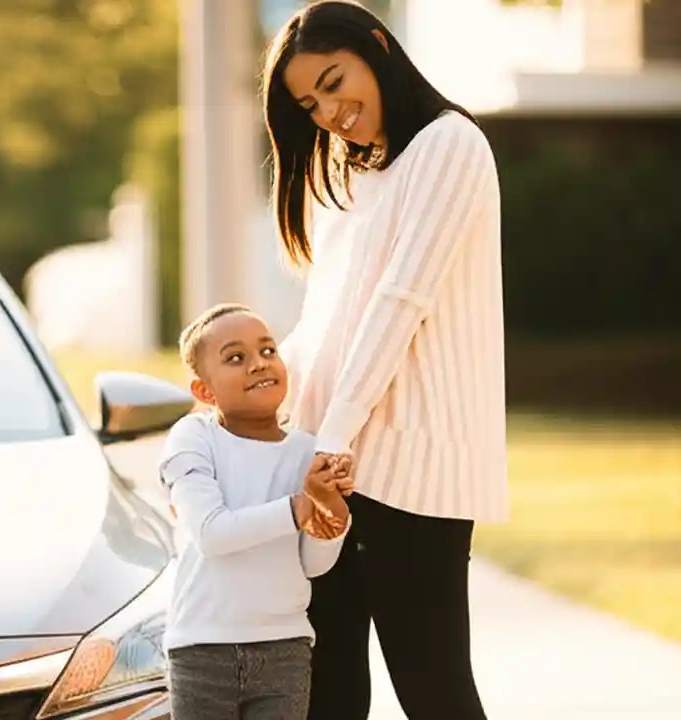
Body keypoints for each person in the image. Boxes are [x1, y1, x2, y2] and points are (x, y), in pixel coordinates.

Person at [261, 2, 510, 719]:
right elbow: (328, 320)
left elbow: (400, 304)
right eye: (311, 104)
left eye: (336, 83)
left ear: (379, 46)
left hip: (412, 472)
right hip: (330, 469)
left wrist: (332, 440)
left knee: (434, 691)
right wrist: (272, 418)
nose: (331, 112)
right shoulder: (354, 173)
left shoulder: (449, 145)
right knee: (328, 693)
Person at [160, 302, 353, 720]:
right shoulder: (193, 437)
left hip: (285, 649)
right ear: (204, 392)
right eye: (236, 357)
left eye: (268, 351)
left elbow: (314, 565)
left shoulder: (306, 450)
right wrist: (301, 506)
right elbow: (211, 533)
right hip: (201, 649)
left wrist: (331, 509)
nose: (258, 364)